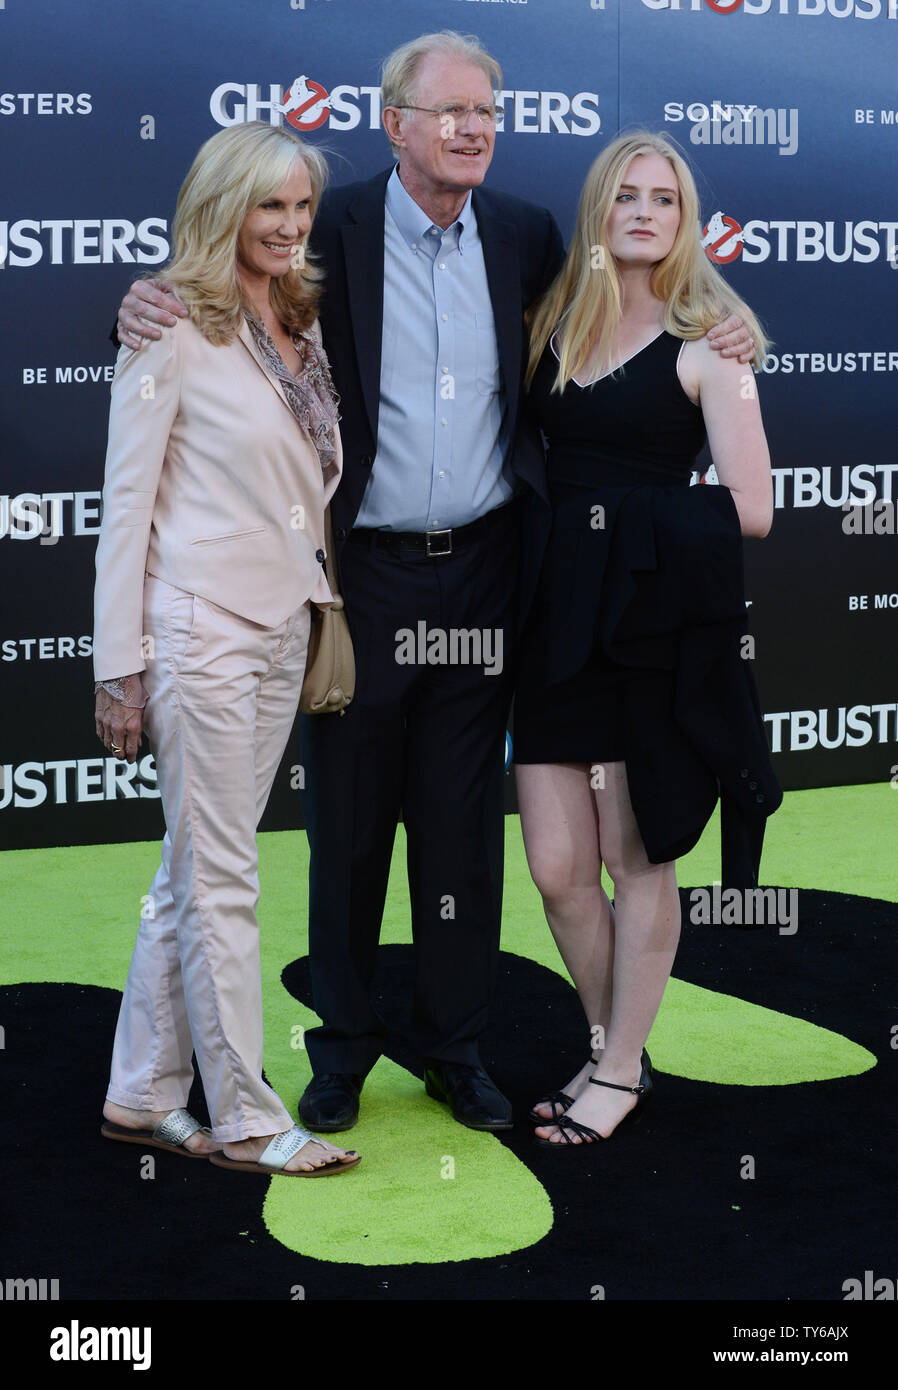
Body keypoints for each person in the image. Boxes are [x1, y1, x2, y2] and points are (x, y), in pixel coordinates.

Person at [114, 33, 755, 1136]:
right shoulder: (334, 228)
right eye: (449, 111)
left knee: (462, 826)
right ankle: (344, 1048)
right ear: (395, 123)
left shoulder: (523, 236)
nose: (472, 130)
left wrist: (729, 319)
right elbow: (224, 306)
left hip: (491, 574)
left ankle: (454, 1048)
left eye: (487, 114)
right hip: (358, 577)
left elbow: (632, 321)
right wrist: (136, 308)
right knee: (349, 824)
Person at [94, 121, 360, 1176]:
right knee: (223, 881)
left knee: (191, 871)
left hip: (280, 628)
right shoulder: (168, 327)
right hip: (198, 629)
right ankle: (247, 1115)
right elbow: (125, 506)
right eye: (268, 208)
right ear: (222, 209)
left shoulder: (297, 318)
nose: (289, 226)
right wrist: (119, 663)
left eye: (300, 206)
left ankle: (138, 1090)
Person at [514, 129, 781, 1147]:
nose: (642, 211)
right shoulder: (550, 325)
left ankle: (617, 1072)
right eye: (624, 194)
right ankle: (605, 1043)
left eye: (663, 199)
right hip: (548, 626)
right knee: (556, 869)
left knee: (637, 863)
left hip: (645, 634)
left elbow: (751, 508)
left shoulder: (708, 342)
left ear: (684, 220)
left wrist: (615, 526)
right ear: (598, 210)